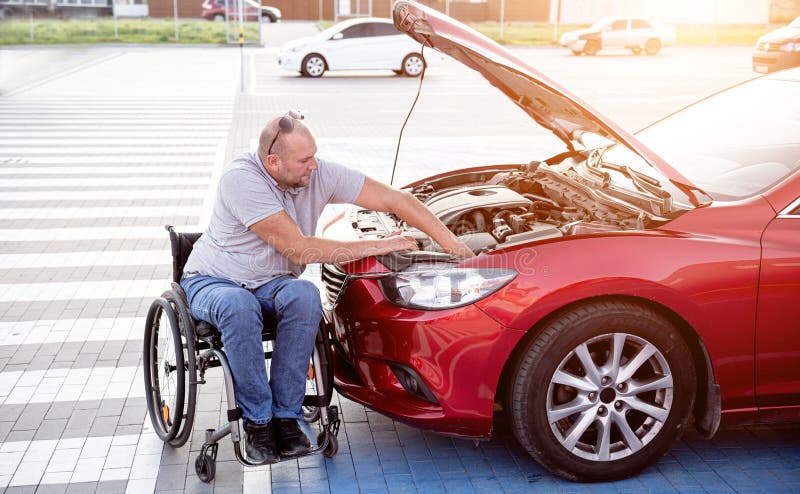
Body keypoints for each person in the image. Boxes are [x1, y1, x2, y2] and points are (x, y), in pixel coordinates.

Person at [180, 110, 474, 464]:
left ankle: (286, 417)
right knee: (238, 306)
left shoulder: (317, 174)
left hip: (271, 283)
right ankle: (258, 421)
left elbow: (397, 200)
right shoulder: (241, 179)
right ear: (273, 162)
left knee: (305, 295)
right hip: (215, 281)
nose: (314, 165)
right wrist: (381, 245)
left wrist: (455, 247)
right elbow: (300, 249)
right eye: (304, 159)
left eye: (314, 155)